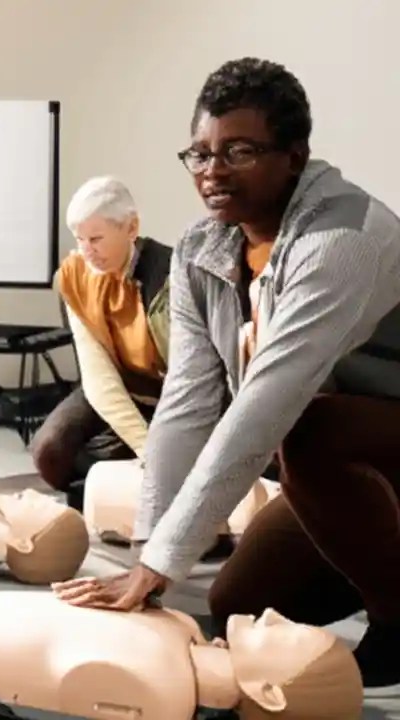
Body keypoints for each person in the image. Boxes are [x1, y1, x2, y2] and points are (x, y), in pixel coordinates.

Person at [51, 57, 400, 688]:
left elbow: (269, 403)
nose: (213, 171)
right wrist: (149, 556)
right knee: (236, 605)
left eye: (238, 151)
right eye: (201, 154)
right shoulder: (201, 248)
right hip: (345, 461)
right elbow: (187, 402)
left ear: (294, 155)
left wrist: (162, 564)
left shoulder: (344, 237)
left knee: (309, 427)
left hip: (363, 436)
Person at [30, 176, 171, 509]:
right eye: (79, 239)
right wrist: (144, 443)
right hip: (119, 384)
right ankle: (117, 487)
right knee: (49, 452)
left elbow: (186, 377)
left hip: (169, 394)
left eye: (96, 238)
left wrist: (158, 444)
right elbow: (98, 378)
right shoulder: (75, 275)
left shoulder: (167, 276)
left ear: (131, 227)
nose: (86, 251)